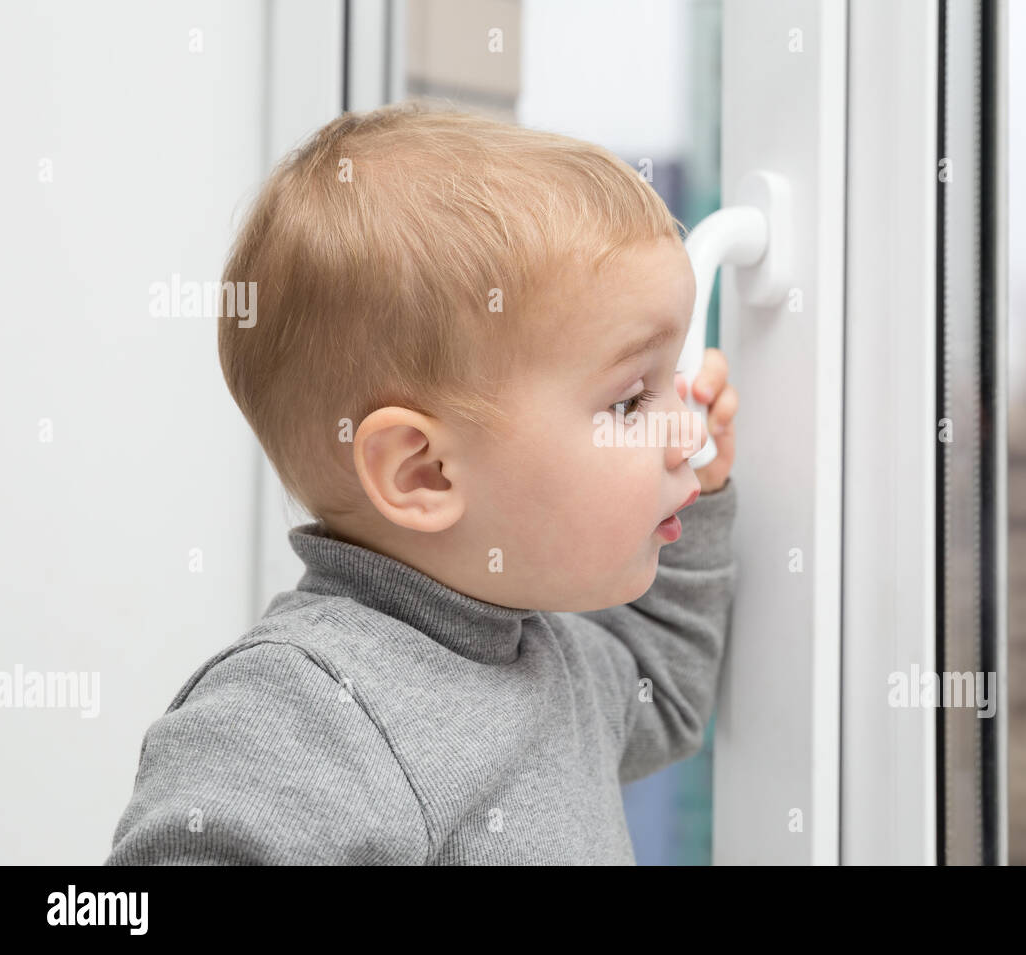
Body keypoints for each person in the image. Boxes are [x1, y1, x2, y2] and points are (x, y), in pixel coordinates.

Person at [105, 102, 740, 865]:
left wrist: (699, 496)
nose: (689, 430)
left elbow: (659, 688)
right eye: (631, 399)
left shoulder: (549, 655)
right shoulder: (308, 707)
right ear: (423, 472)